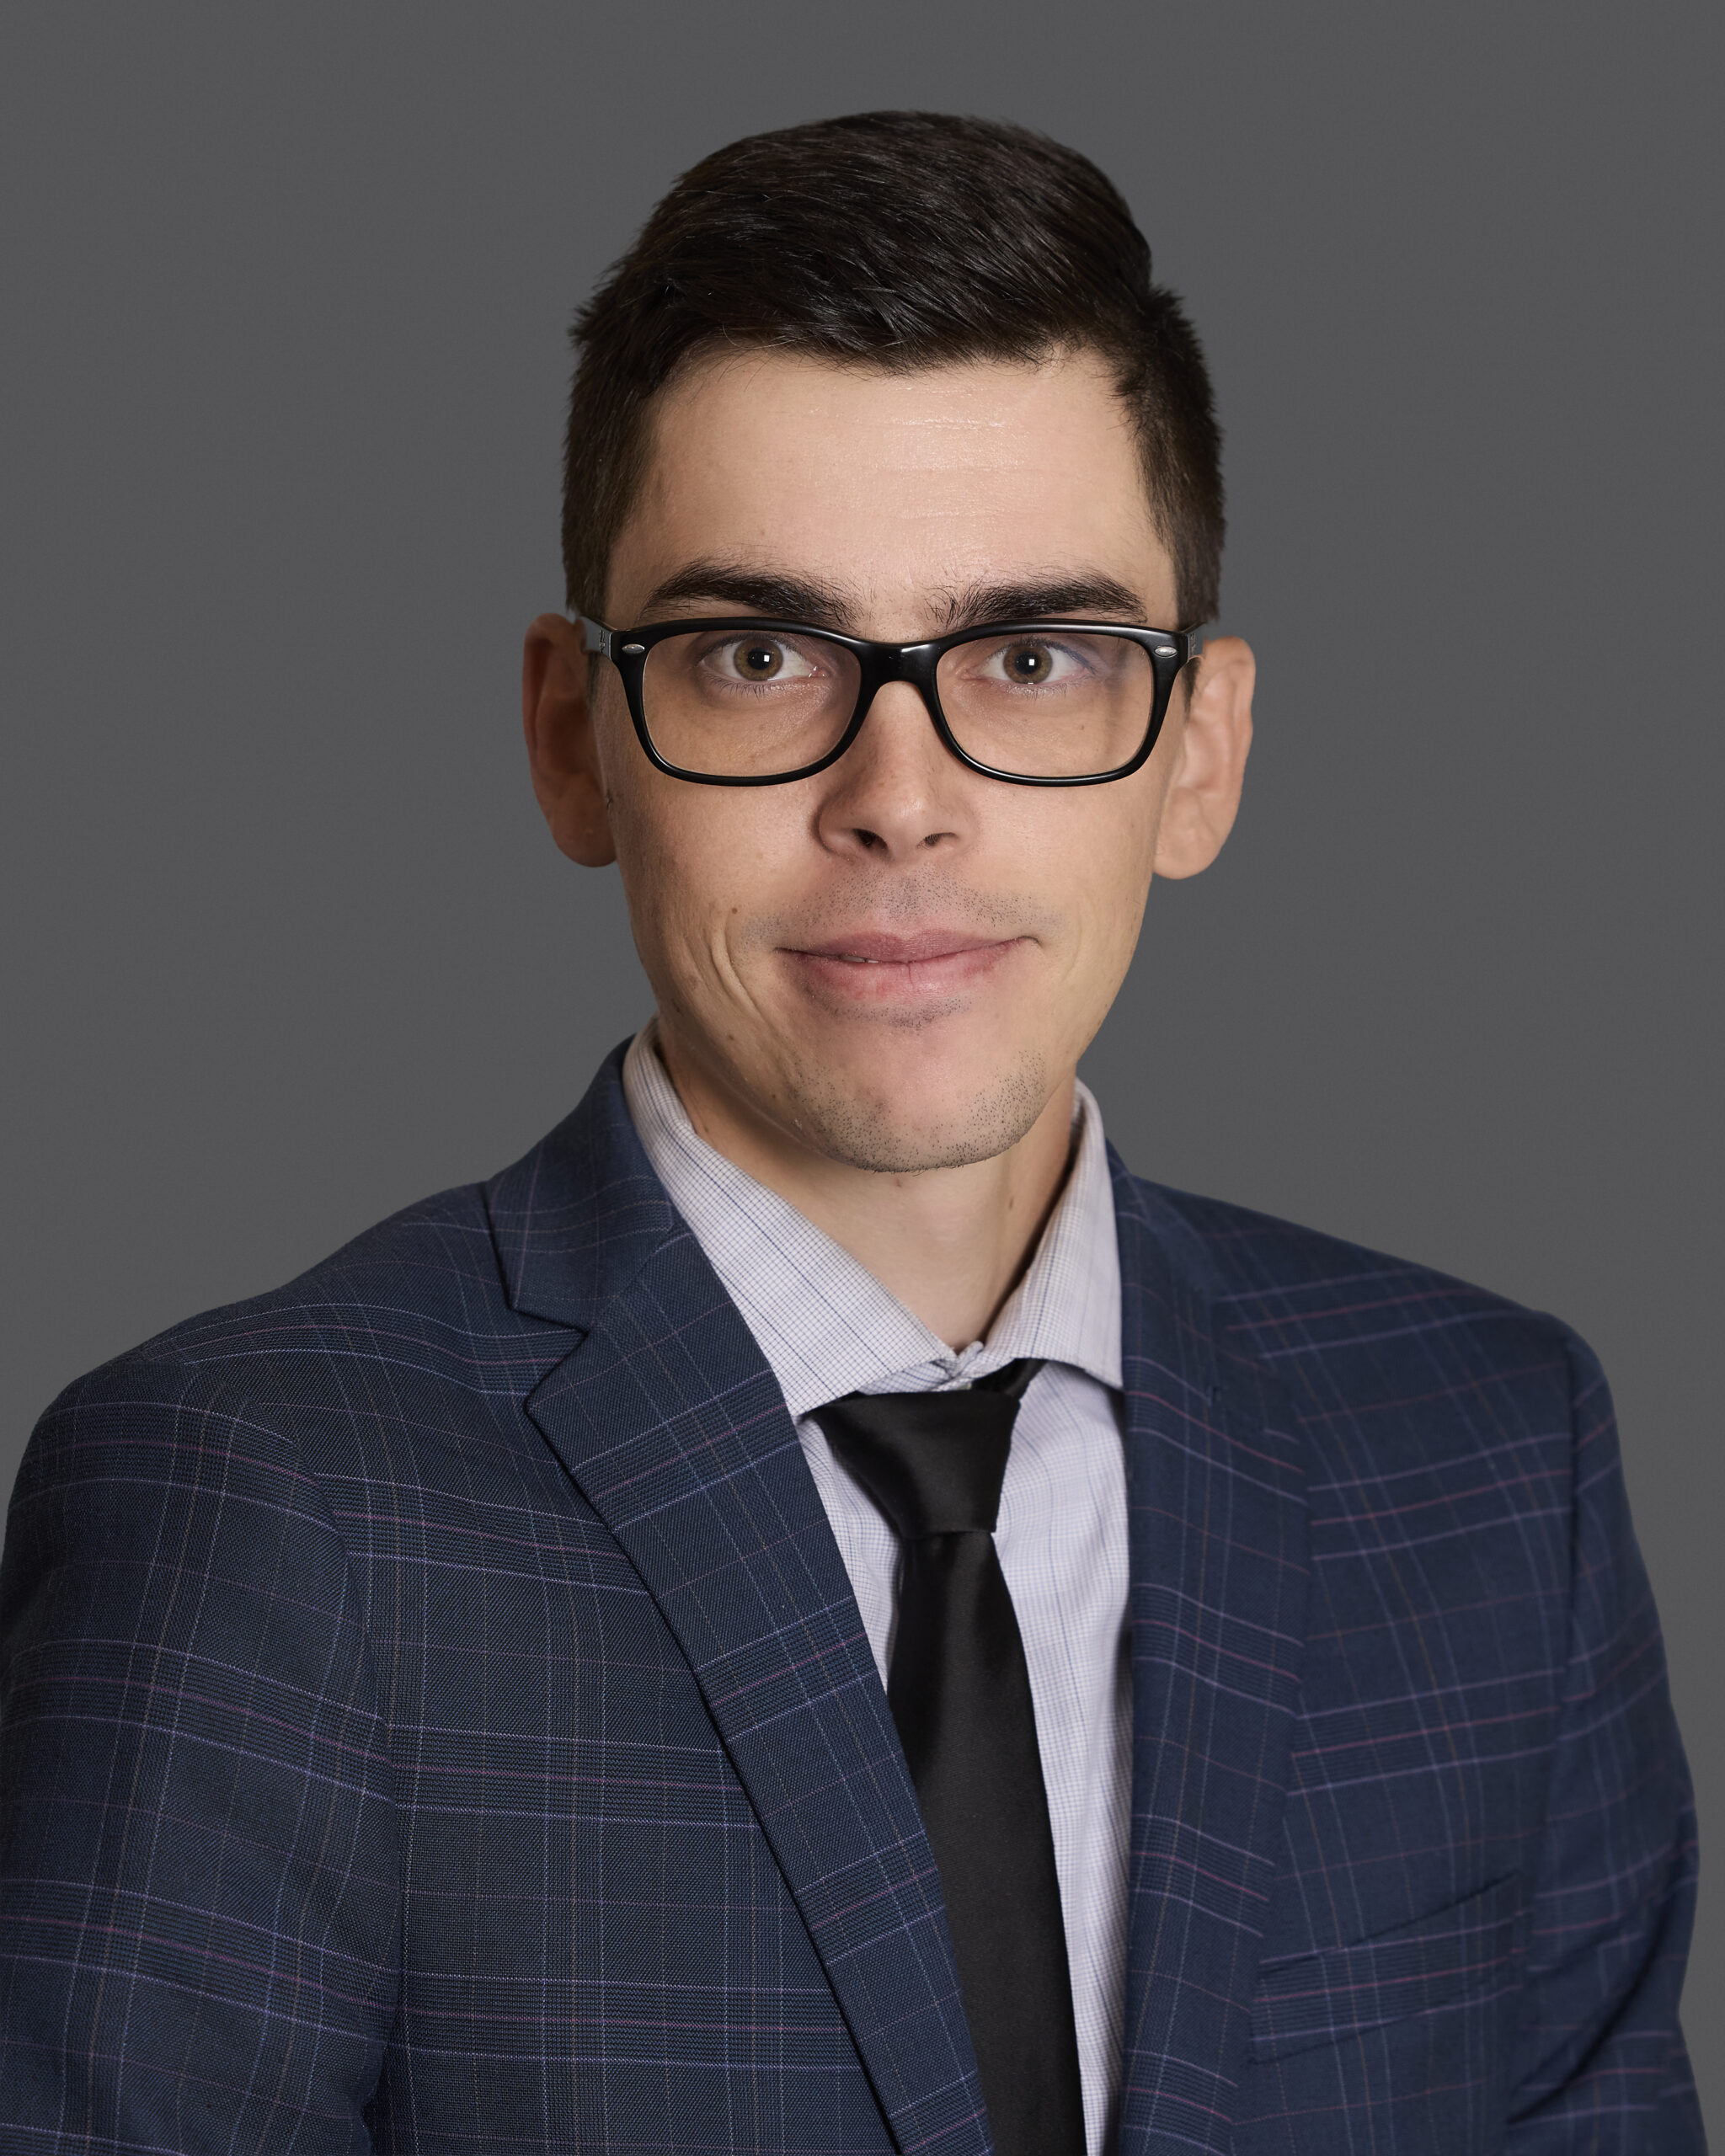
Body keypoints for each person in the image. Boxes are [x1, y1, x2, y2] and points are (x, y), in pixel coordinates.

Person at [0, 109, 1701, 2154]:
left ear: (1199, 749)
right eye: (756, 656)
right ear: (573, 737)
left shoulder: (1491, 1459)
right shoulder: (263, 1500)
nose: (899, 797)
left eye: (1036, 657)